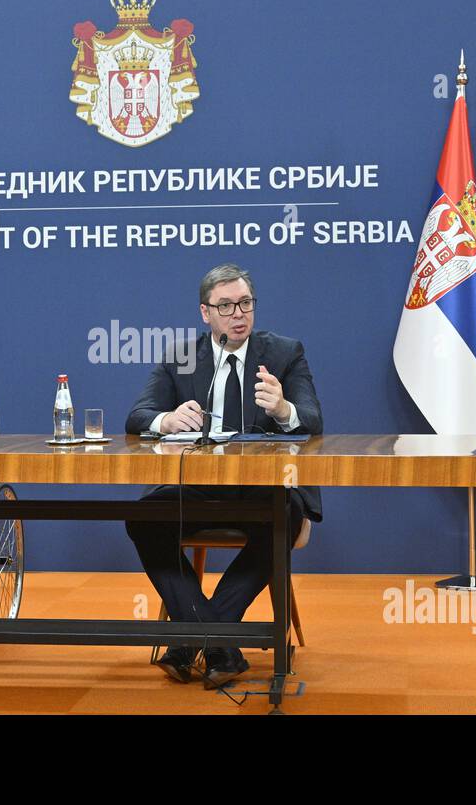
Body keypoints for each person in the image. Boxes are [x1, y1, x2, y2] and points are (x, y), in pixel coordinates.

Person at [124, 263, 323, 688]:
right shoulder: (181, 356)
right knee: (142, 517)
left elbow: (312, 420)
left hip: (263, 491)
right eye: (227, 305)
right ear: (205, 313)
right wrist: (168, 418)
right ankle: (219, 644)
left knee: (286, 515)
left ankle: (192, 638)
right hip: (199, 488)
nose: (239, 314)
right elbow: (137, 415)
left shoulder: (285, 353)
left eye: (246, 303)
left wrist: (283, 409)